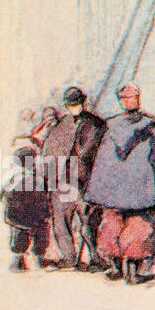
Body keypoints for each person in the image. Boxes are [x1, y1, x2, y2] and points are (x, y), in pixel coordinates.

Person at [85, 84, 155, 284]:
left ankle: (116, 267)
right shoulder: (149, 129)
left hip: (112, 193)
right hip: (141, 192)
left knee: (111, 224)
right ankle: (133, 271)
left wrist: (97, 192)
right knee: (140, 226)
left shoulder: (110, 129)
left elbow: (102, 162)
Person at [61, 86, 107, 269]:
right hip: (78, 180)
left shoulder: (94, 124)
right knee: (86, 220)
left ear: (83, 102)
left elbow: (85, 154)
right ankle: (94, 258)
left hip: (90, 180)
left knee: (90, 220)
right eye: (71, 105)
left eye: (76, 104)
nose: (74, 107)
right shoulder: (78, 122)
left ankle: (96, 258)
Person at [34, 106, 79, 268]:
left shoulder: (59, 132)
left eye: (49, 119)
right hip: (70, 180)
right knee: (72, 222)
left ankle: (70, 258)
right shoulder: (64, 128)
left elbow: (54, 159)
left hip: (64, 181)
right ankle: (77, 258)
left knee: (62, 221)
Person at [1, 145, 51, 271]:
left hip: (21, 214)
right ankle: (37, 258)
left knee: (21, 235)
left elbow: (3, 195)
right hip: (34, 214)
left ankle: (20, 260)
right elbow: (45, 193)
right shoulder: (36, 177)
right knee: (39, 234)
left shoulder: (15, 177)